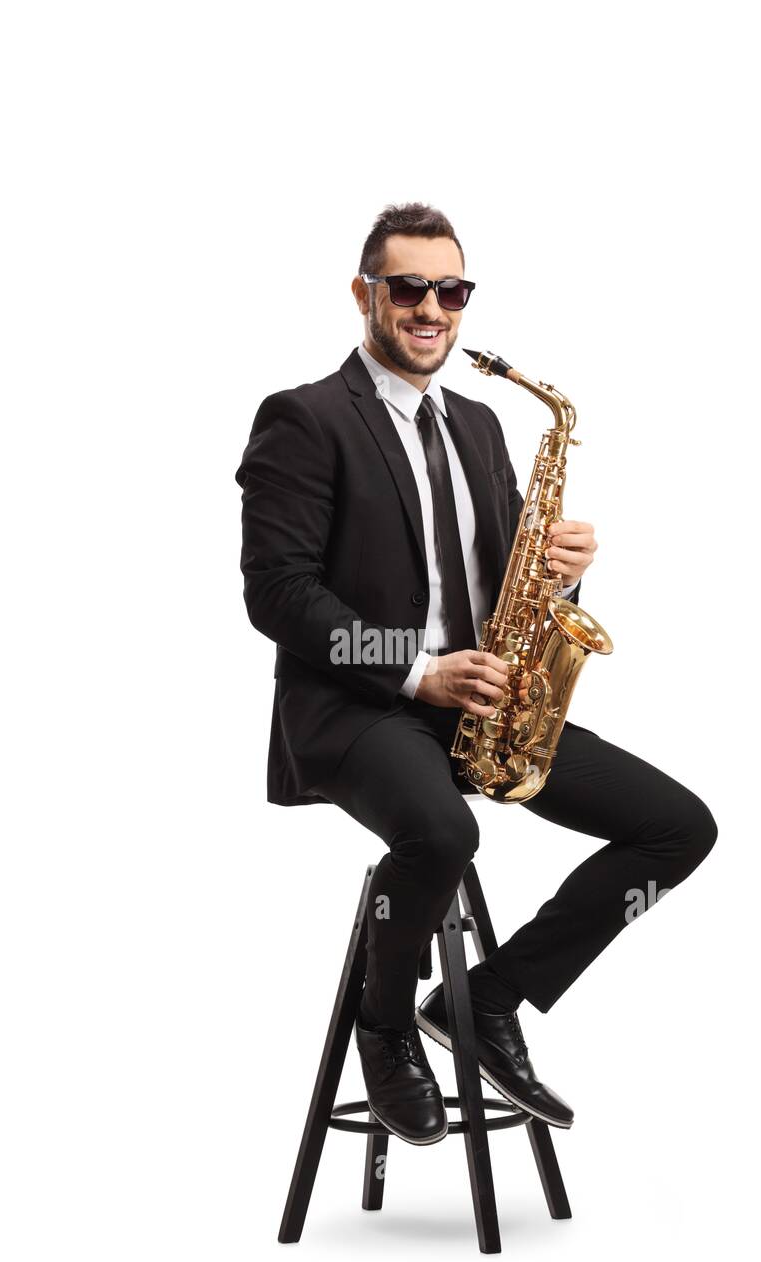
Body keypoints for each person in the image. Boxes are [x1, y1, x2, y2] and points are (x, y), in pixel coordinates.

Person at [236, 202, 717, 1147]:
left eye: (450, 290)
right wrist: (419, 673)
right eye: (408, 287)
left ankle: (488, 1001)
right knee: (444, 833)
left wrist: (562, 569)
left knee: (678, 831)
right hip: (356, 712)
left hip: (486, 710)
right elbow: (278, 598)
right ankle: (384, 1025)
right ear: (364, 293)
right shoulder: (304, 418)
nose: (431, 308)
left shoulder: (485, 425)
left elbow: (502, 578)